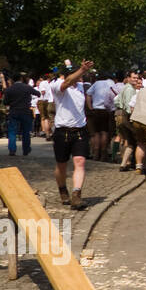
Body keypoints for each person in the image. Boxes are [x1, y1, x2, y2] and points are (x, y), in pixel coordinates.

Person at [52, 60, 94, 209]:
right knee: (61, 165)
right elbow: (67, 82)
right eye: (77, 75)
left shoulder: (82, 87)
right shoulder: (57, 85)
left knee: (80, 162)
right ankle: (63, 189)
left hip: (80, 130)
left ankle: (76, 195)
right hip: (62, 131)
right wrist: (81, 70)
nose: (79, 78)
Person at [2, 72, 40, 157]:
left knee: (12, 131)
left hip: (14, 111)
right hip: (25, 111)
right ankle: (26, 150)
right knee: (25, 131)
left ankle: (12, 150)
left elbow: (5, 102)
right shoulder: (27, 87)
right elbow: (38, 93)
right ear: (21, 79)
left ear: (12, 80)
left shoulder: (9, 89)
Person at [87, 70, 116, 162]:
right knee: (105, 132)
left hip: (96, 109)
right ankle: (104, 153)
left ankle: (96, 153)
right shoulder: (111, 83)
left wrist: (90, 107)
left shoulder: (96, 83)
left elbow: (88, 95)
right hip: (107, 110)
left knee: (96, 132)